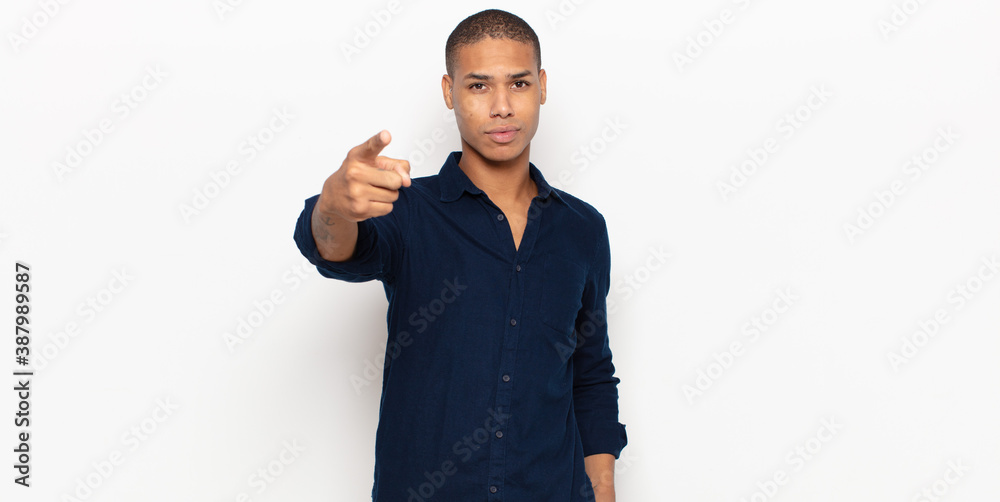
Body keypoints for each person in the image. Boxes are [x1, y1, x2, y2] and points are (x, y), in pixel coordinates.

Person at [293, 9, 626, 502]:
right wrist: (333, 206)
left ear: (542, 87)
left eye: (518, 83)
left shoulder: (582, 229)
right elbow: (333, 248)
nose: (501, 107)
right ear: (449, 92)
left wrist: (602, 491)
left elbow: (591, 373)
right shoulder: (407, 211)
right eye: (478, 86)